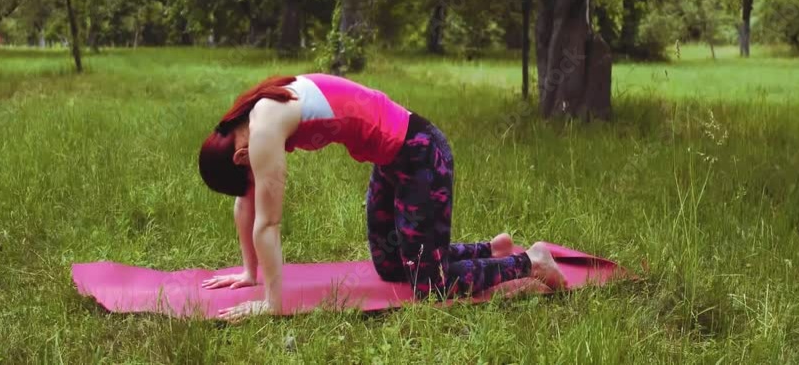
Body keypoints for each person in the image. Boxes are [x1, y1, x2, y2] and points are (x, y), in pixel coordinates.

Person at [197, 74, 566, 319]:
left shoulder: (263, 127)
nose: (254, 182)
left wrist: (272, 303)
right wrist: (250, 273)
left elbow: (268, 223)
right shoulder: (254, 114)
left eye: (246, 176)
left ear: (240, 157)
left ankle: (530, 262)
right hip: (390, 161)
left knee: (430, 287)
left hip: (422, 153)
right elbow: (246, 201)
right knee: (390, 266)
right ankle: (490, 249)